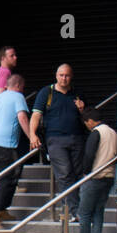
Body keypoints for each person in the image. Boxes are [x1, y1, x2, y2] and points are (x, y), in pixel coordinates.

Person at [31, 64, 88, 221]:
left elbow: (88, 121)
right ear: (56, 75)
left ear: (71, 76)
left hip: (77, 138)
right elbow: (35, 115)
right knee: (64, 173)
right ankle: (74, 211)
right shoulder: (46, 92)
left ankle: (72, 209)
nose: (64, 78)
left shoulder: (77, 94)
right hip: (55, 139)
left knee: (76, 174)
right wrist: (32, 135)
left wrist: (82, 110)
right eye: (61, 75)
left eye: (67, 75)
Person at [0, 74, 33, 231]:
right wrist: (32, 137)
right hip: (5, 143)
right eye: (23, 88)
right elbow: (23, 118)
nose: (23, 91)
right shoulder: (18, 96)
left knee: (5, 174)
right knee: (10, 176)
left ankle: (2, 210)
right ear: (18, 86)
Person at [70, 108, 117, 233]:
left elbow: (89, 154)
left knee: (83, 212)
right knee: (98, 212)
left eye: (86, 123)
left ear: (90, 121)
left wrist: (85, 172)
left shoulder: (96, 133)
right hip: (109, 177)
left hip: (95, 176)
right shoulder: (113, 133)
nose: (87, 126)